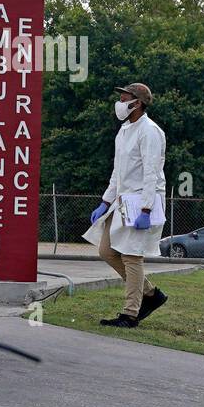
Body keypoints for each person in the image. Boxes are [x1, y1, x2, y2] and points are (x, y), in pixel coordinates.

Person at [84, 83, 167, 328]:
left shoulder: (149, 131)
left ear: (137, 102)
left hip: (141, 200)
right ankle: (151, 295)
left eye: (124, 98)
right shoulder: (124, 130)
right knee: (107, 251)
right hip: (122, 200)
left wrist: (146, 208)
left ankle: (130, 314)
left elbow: (151, 172)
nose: (120, 103)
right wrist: (105, 201)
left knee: (132, 257)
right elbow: (117, 172)